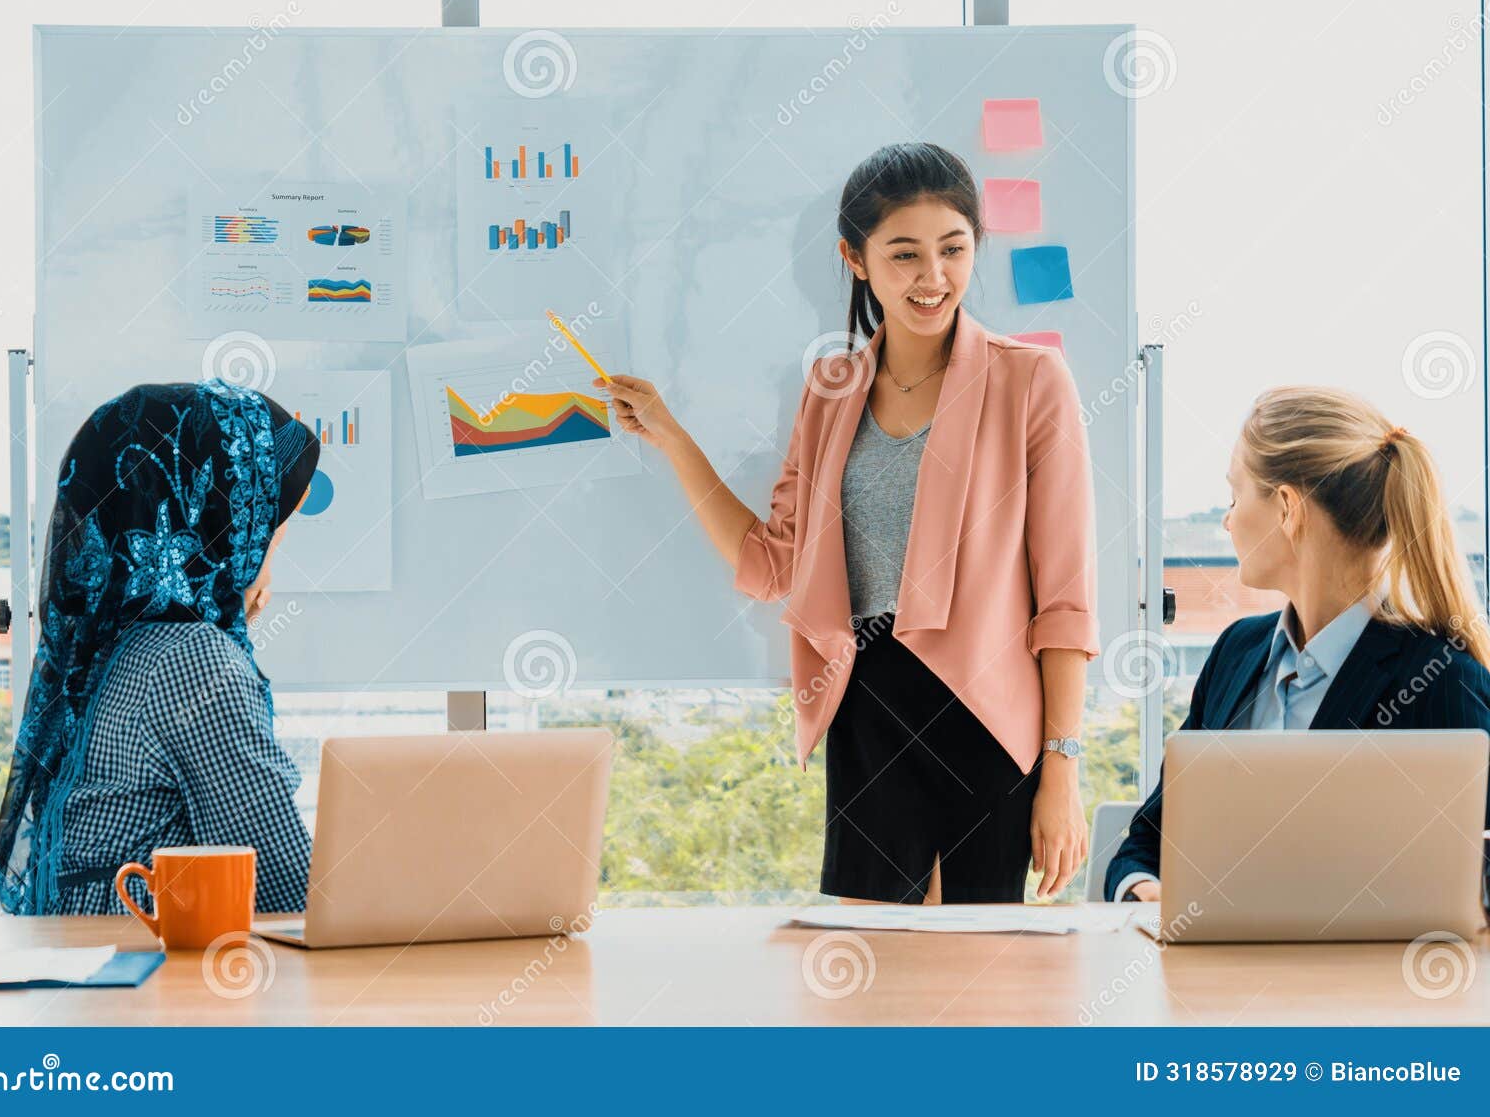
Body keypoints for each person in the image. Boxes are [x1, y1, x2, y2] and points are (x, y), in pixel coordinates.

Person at [598, 143, 1099, 904]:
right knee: (872, 992)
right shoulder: (831, 390)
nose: (933, 277)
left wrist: (1062, 762)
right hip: (868, 709)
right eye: (904, 254)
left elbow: (1064, 598)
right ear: (855, 258)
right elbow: (774, 563)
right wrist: (672, 436)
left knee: (978, 998)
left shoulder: (1030, 380)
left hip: (988, 717)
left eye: (953, 249)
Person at [1106, 385, 1490, 903]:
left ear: (1286, 508)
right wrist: (1144, 890)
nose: (1227, 518)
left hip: (1367, 982)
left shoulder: (1441, 676)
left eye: (1234, 495)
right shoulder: (1237, 652)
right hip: (1209, 979)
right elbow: (1146, 843)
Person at [0, 379, 320, 915]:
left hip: (95, 984)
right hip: (142, 989)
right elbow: (286, 887)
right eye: (270, 530)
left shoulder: (113, 649)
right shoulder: (193, 661)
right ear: (220, 526)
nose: (272, 550)